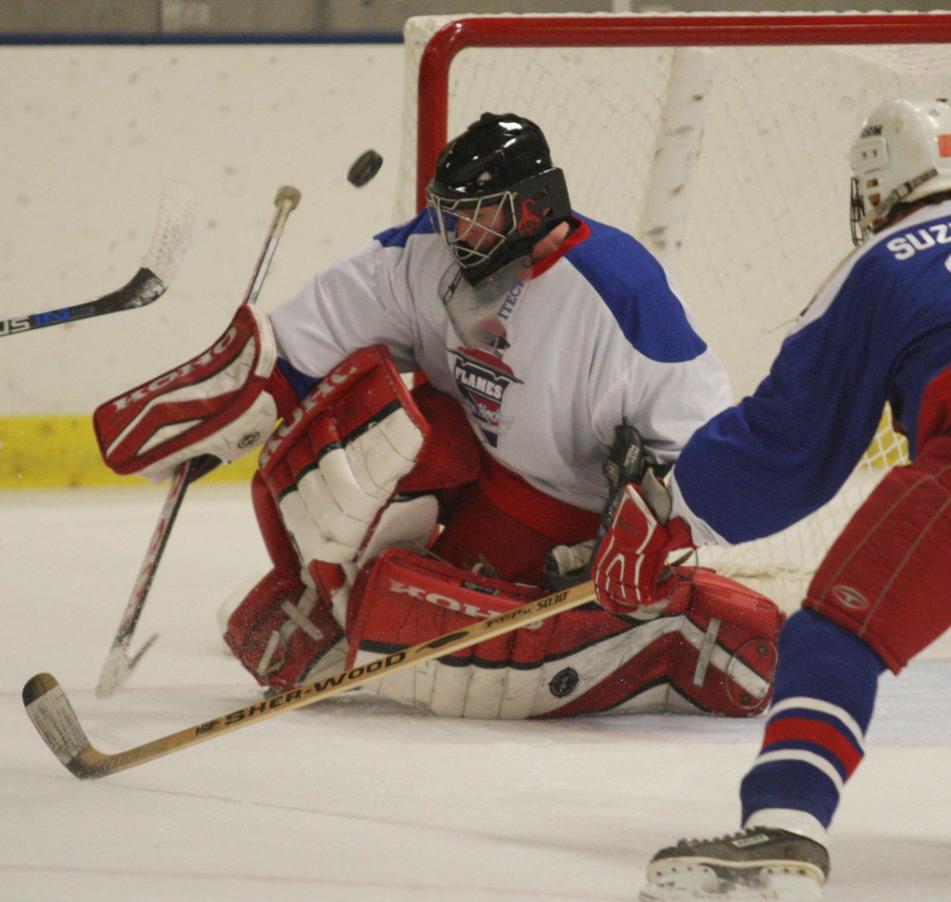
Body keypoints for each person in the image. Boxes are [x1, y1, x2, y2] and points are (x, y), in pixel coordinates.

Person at [587, 98, 951, 900]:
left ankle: (783, 831)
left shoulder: (875, 264)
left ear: (875, 184)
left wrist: (676, 508)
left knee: (833, 627)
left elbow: (792, 432)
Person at [91, 111, 783, 720]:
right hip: (475, 469)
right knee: (331, 446)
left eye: (478, 213)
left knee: (431, 639)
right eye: (452, 211)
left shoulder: (620, 293)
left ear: (537, 204)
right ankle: (334, 600)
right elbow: (307, 343)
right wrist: (224, 398)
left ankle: (670, 634)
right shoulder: (427, 253)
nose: (456, 231)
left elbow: (704, 444)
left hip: (564, 527)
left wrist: (657, 519)